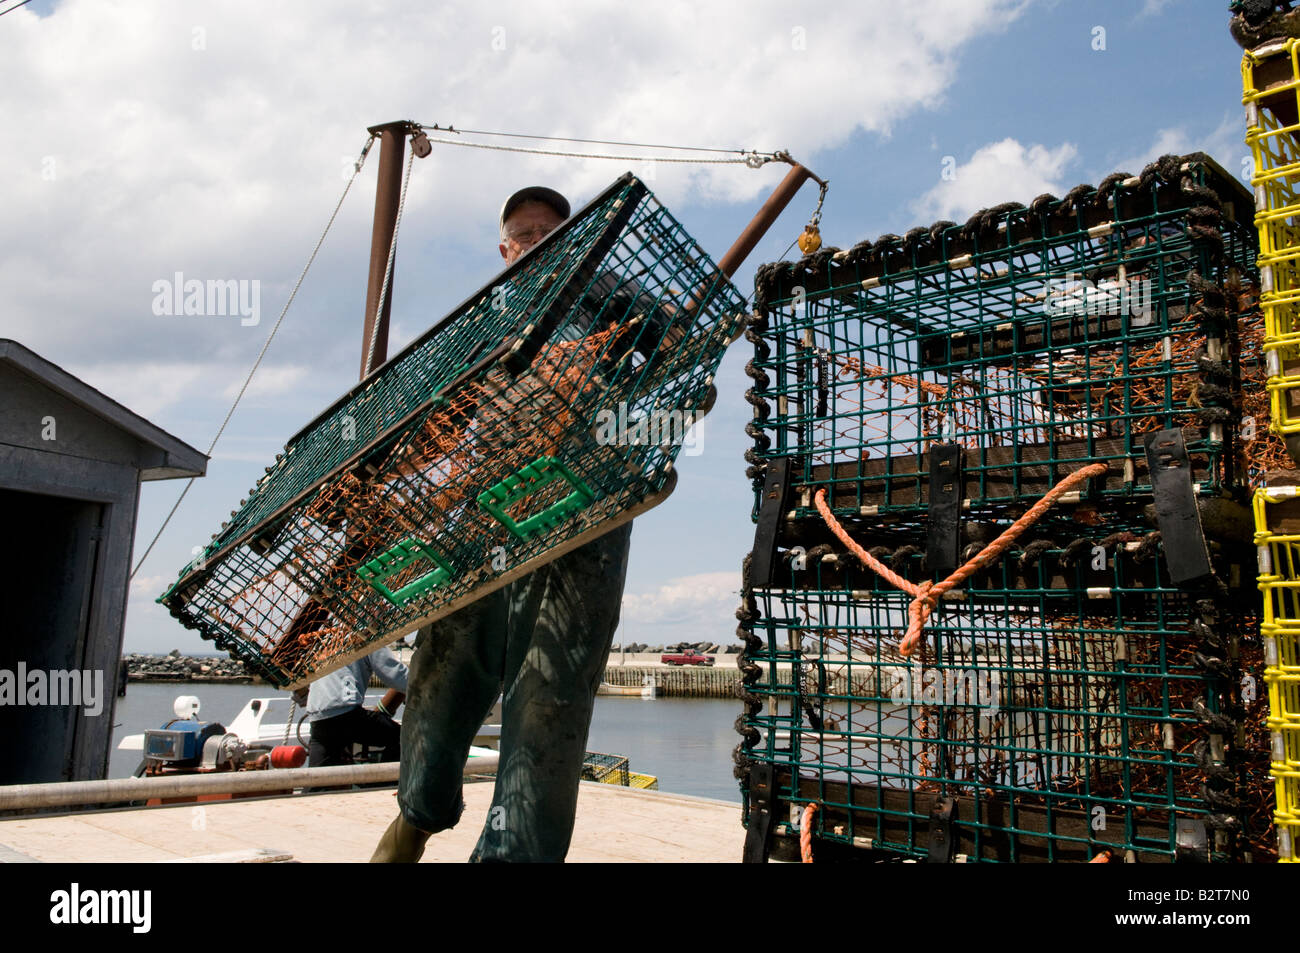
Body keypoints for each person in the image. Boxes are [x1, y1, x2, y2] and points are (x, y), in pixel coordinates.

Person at [370, 186, 634, 863]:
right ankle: (411, 827)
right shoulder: (484, 326)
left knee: (547, 703)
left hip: (584, 526)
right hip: (489, 522)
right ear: (504, 248)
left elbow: (671, 345)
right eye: (525, 232)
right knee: (442, 674)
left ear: (571, 239)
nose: (539, 239)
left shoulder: (608, 300)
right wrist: (380, 468)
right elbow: (433, 433)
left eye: (552, 229)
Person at [306, 644, 409, 767]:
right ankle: (386, 780)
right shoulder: (368, 636)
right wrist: (422, 683)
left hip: (318, 718)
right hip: (347, 715)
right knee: (402, 737)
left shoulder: (326, 642)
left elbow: (301, 692)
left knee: (316, 778)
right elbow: (394, 674)